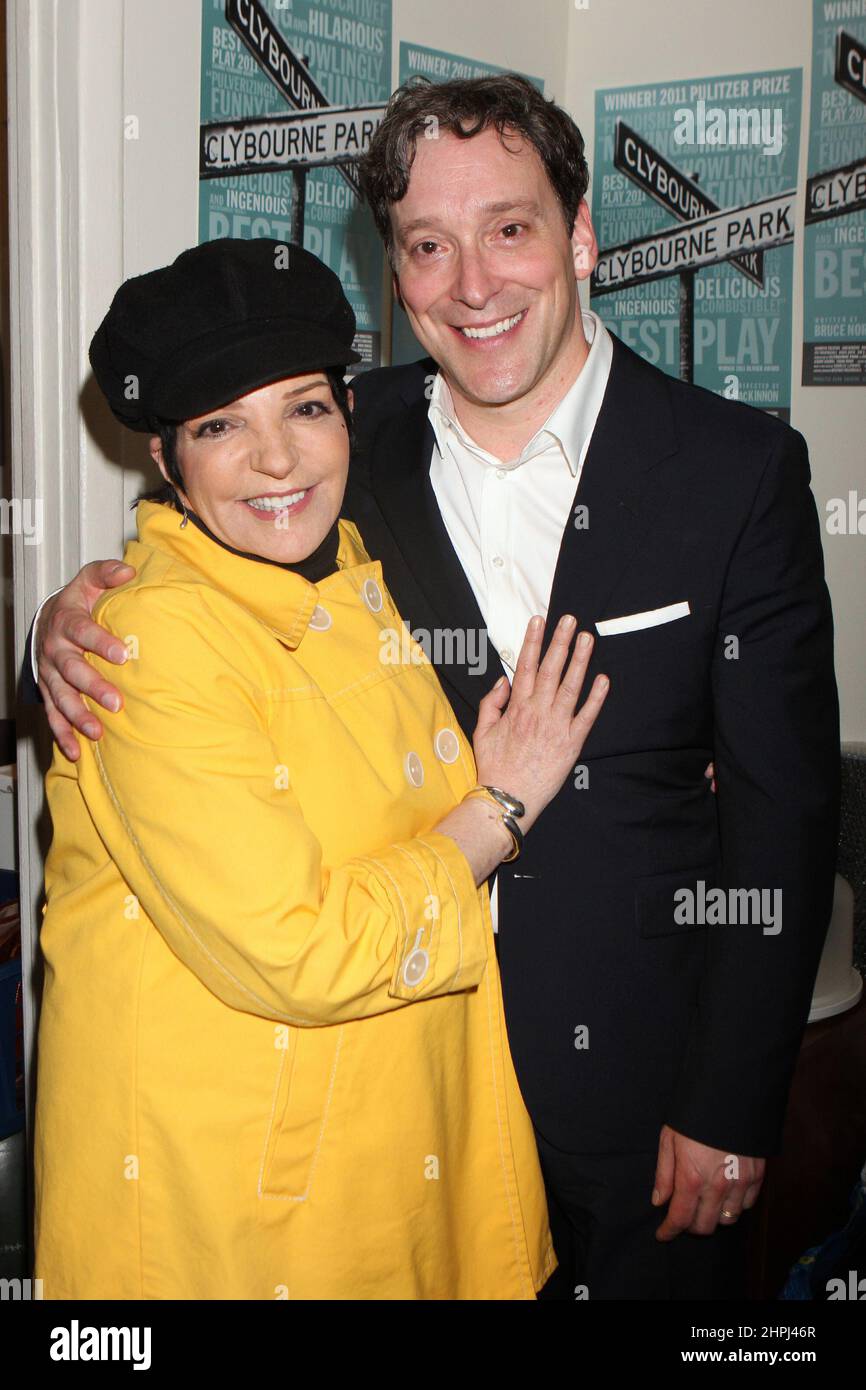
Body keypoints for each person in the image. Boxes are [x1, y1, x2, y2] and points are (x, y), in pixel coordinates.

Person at [27, 75, 840, 1300]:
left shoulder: (736, 469)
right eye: (426, 246)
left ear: (577, 236)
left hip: (644, 1087)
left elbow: (781, 816)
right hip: (399, 1089)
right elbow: (205, 533)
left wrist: (731, 1099)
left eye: (508, 229)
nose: (471, 284)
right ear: (394, 275)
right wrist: (55, 622)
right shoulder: (339, 441)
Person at [31, 237, 610, 1300]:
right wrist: (500, 804)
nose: (277, 460)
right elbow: (300, 949)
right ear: (164, 460)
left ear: (348, 409)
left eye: (303, 407)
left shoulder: (348, 563)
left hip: (383, 1154)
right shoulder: (145, 645)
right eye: (220, 427)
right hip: (239, 1209)